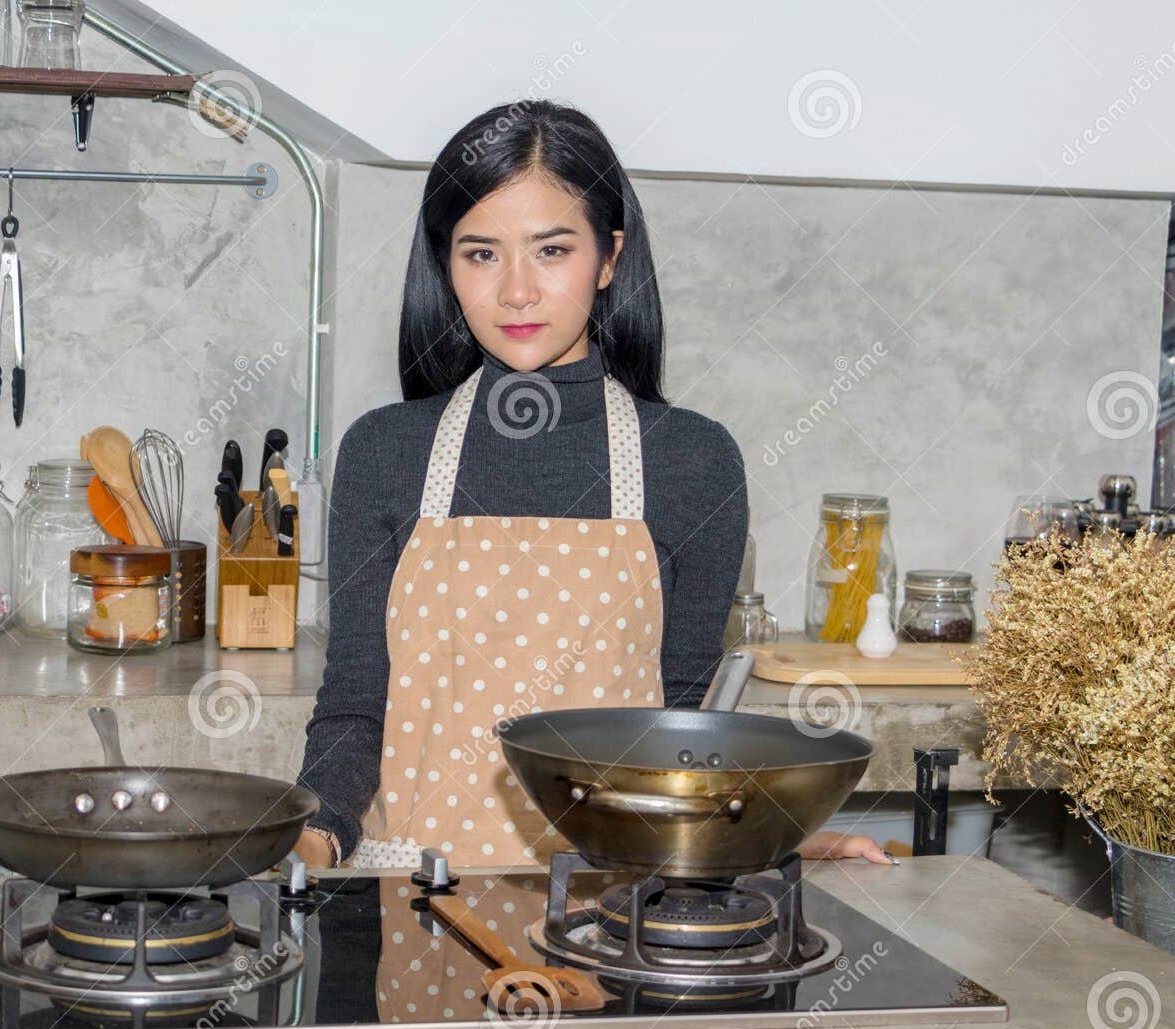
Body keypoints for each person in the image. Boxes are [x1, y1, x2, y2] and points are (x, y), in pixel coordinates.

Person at [293, 100, 889, 870]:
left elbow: (684, 732)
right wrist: (308, 837)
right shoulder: (385, 452)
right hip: (417, 908)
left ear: (608, 258)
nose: (515, 291)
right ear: (444, 262)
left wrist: (773, 837)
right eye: (480, 254)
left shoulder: (690, 462)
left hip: (611, 912)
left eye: (550, 250)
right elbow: (353, 706)